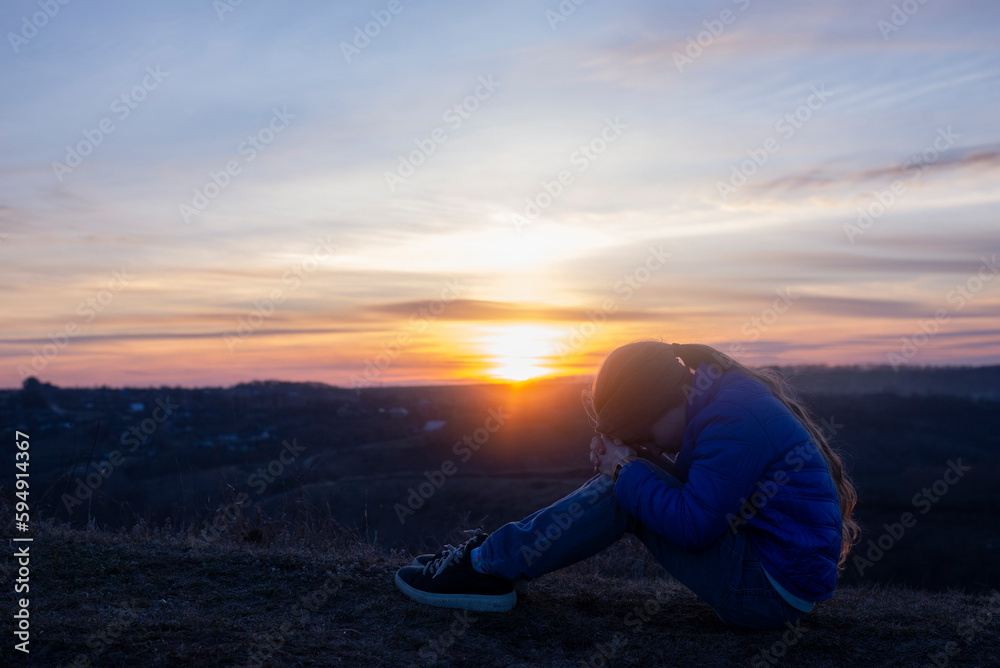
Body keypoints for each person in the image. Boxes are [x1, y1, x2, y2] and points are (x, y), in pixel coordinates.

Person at [393, 340, 860, 628]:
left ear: (672, 396)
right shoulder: (721, 400)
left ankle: (485, 568)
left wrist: (625, 469)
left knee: (625, 495)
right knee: (630, 485)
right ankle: (488, 562)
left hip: (768, 597)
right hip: (777, 579)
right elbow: (707, 499)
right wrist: (634, 461)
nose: (646, 442)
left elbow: (696, 525)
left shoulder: (731, 419)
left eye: (644, 431)